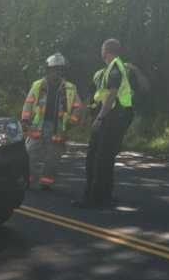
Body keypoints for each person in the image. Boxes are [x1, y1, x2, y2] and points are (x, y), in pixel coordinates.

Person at [73, 38, 134, 208]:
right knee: (106, 158)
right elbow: (101, 95)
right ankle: (105, 195)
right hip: (117, 116)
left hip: (112, 117)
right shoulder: (111, 68)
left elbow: (112, 95)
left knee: (96, 158)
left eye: (102, 48)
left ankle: (93, 198)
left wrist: (99, 117)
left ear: (106, 50)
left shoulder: (114, 67)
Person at [21, 53, 82, 189]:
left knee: (53, 160)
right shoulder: (37, 85)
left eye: (60, 69)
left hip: (58, 129)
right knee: (30, 155)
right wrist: (25, 120)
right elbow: (28, 104)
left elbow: (77, 107)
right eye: (55, 69)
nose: (58, 72)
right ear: (48, 70)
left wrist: (71, 123)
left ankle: (46, 184)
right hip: (37, 127)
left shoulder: (70, 88)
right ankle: (29, 181)